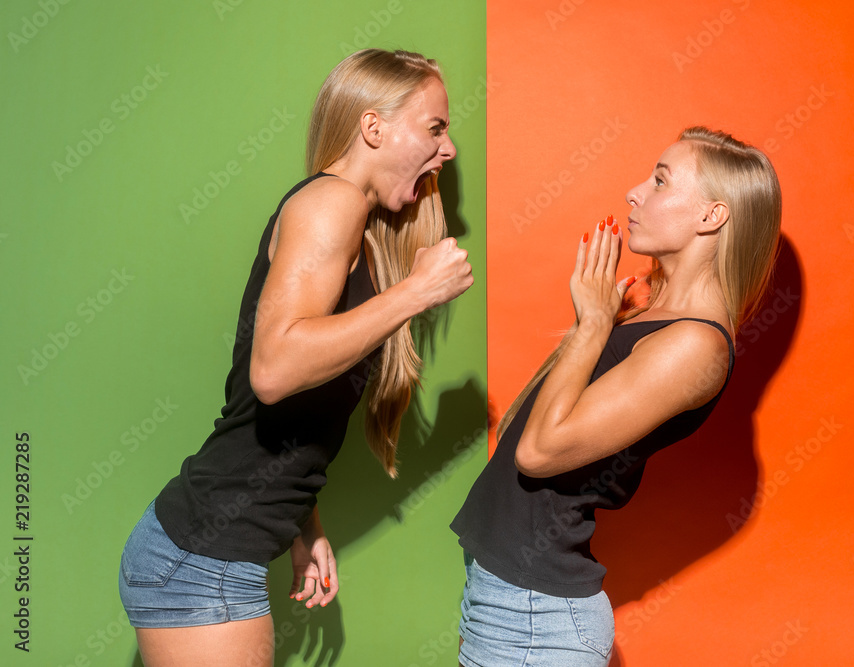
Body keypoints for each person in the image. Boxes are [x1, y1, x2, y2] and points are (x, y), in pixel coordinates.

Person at [118, 49, 473, 667]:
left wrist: (302, 526)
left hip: (215, 552)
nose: (448, 150)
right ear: (373, 128)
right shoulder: (330, 203)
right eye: (435, 128)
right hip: (201, 560)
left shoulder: (353, 223)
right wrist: (413, 293)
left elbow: (287, 411)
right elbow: (275, 370)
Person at [451, 126, 781, 666]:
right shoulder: (654, 318)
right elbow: (527, 421)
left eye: (660, 181)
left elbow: (539, 452)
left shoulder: (696, 344)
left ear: (711, 217)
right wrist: (601, 324)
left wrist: (592, 325)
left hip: (534, 616)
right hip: (509, 599)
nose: (635, 192)